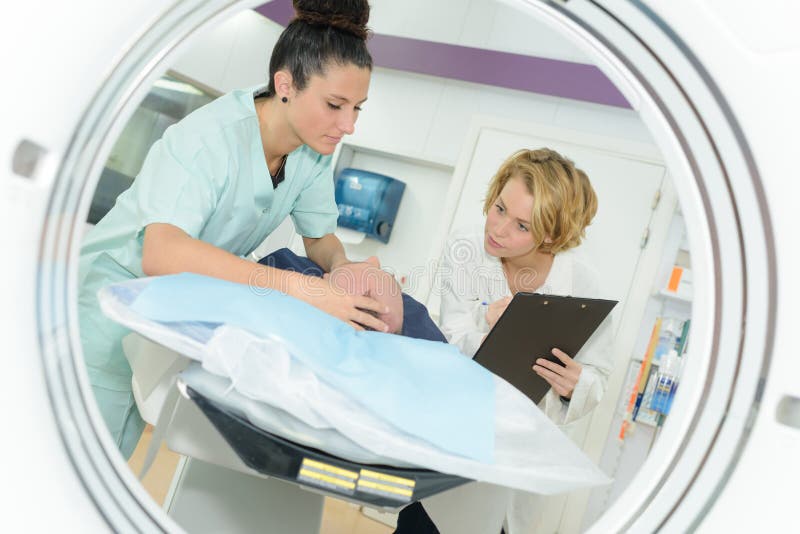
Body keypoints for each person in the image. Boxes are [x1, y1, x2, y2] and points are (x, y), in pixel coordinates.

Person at [78, 0, 387, 459]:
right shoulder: (211, 138)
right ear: (286, 85)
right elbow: (161, 253)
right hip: (107, 310)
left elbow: (319, 236)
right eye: (335, 105)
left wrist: (342, 268)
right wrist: (298, 288)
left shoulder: (312, 152)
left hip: (169, 316)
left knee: (114, 457)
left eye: (357, 108)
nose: (348, 125)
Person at [395, 148, 614, 534]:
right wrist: (488, 324)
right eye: (499, 209)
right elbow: (450, 338)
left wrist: (574, 386)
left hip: (520, 467)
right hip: (452, 458)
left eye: (521, 226)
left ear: (551, 233)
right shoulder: (467, 252)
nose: (497, 230)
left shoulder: (582, 283)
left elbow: (597, 377)